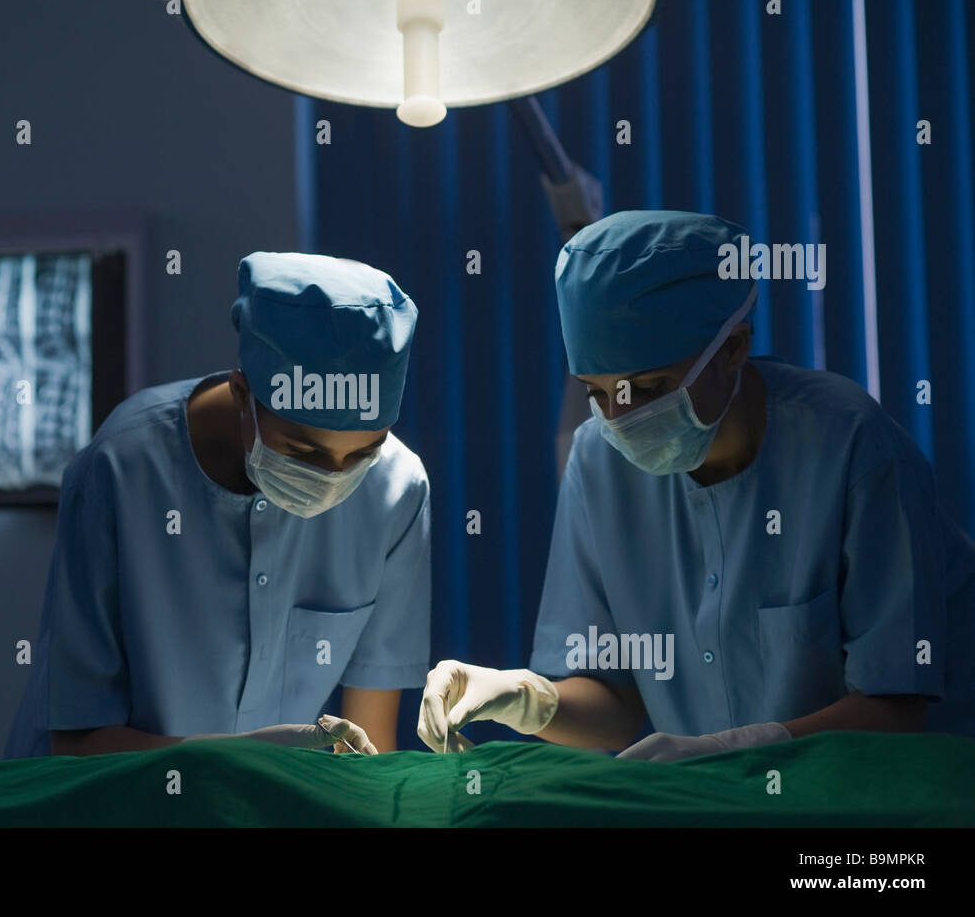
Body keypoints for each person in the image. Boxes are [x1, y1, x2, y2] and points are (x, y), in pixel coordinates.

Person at [418, 210, 975, 760]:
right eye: (596, 389)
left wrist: (738, 750)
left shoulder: (852, 444)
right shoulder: (598, 461)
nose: (619, 416)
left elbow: (897, 706)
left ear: (732, 348)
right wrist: (524, 699)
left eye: (648, 386)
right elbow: (614, 702)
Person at [5, 251, 431, 757]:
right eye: (302, 451)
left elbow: (368, 748)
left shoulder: (395, 490)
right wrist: (245, 761)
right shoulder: (122, 467)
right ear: (242, 391)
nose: (332, 479)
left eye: (362, 453)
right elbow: (77, 742)